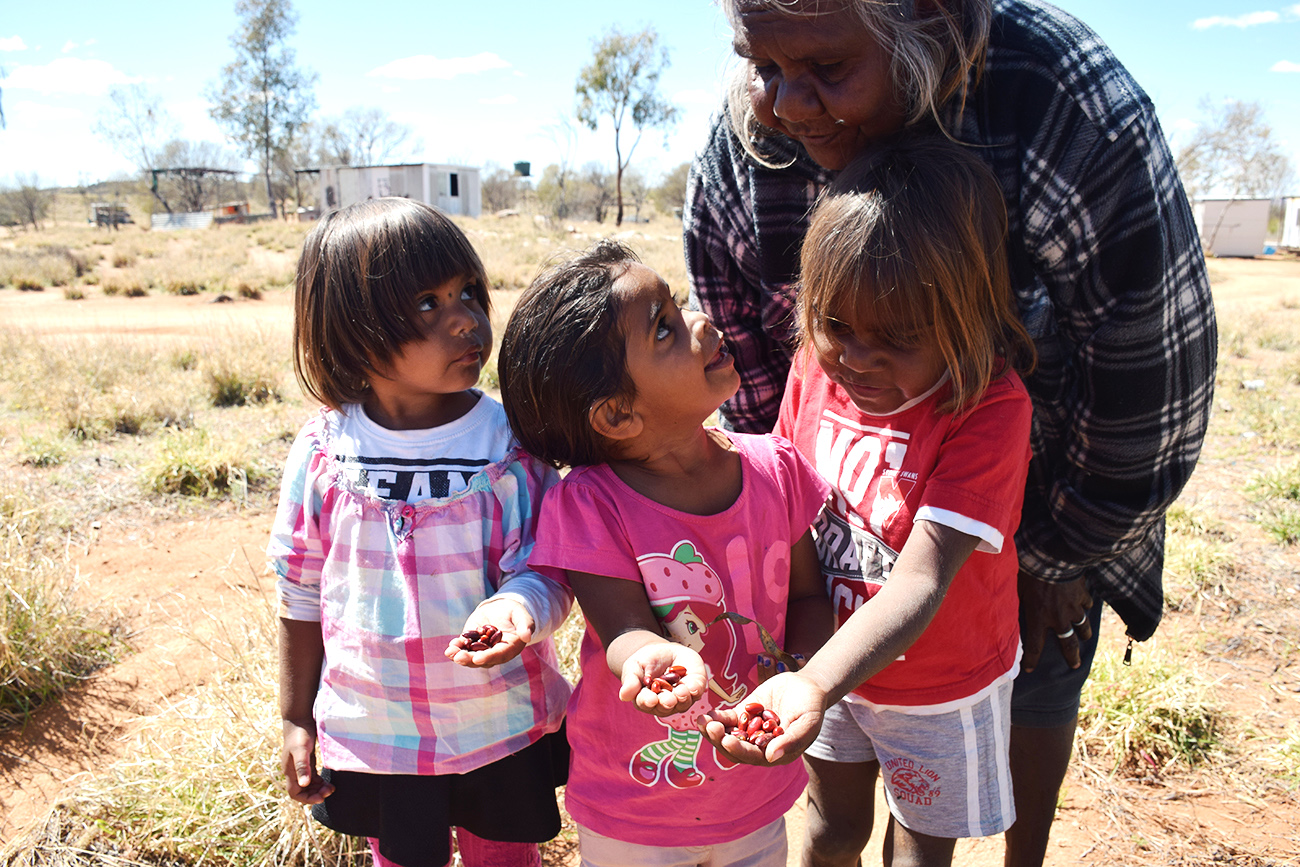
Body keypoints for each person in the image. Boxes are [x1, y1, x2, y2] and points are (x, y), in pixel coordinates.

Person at [685, 1, 1217, 863]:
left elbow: (1149, 379)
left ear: (929, 30)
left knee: (1027, 669)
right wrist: (789, 587)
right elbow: (763, 421)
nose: (787, 104)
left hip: (1038, 527)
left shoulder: (1061, 102)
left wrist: (1049, 558)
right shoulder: (754, 153)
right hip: (832, 622)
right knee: (834, 818)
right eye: (764, 66)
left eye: (827, 71)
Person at [706, 134, 1035, 866]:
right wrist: (797, 652)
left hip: (939, 687)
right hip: (822, 661)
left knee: (919, 848)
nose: (856, 357)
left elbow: (921, 577)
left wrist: (814, 679)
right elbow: (786, 498)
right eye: (837, 326)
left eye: (898, 337)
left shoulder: (986, 408)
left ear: (967, 316)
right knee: (829, 830)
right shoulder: (813, 369)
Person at [497, 239, 834, 867]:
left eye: (679, 306)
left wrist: (801, 680)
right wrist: (652, 658)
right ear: (619, 415)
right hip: (634, 803)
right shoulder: (591, 505)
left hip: (752, 786)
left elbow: (811, 597)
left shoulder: (776, 467)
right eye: (666, 329)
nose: (700, 324)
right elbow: (621, 627)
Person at [269, 198, 573, 867]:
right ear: (350, 327)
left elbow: (549, 568)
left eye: (469, 292)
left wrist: (517, 609)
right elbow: (299, 593)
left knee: (506, 858)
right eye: (429, 305)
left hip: (499, 724)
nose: (467, 319)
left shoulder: (508, 443)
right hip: (378, 733)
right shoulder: (325, 450)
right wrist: (296, 717)